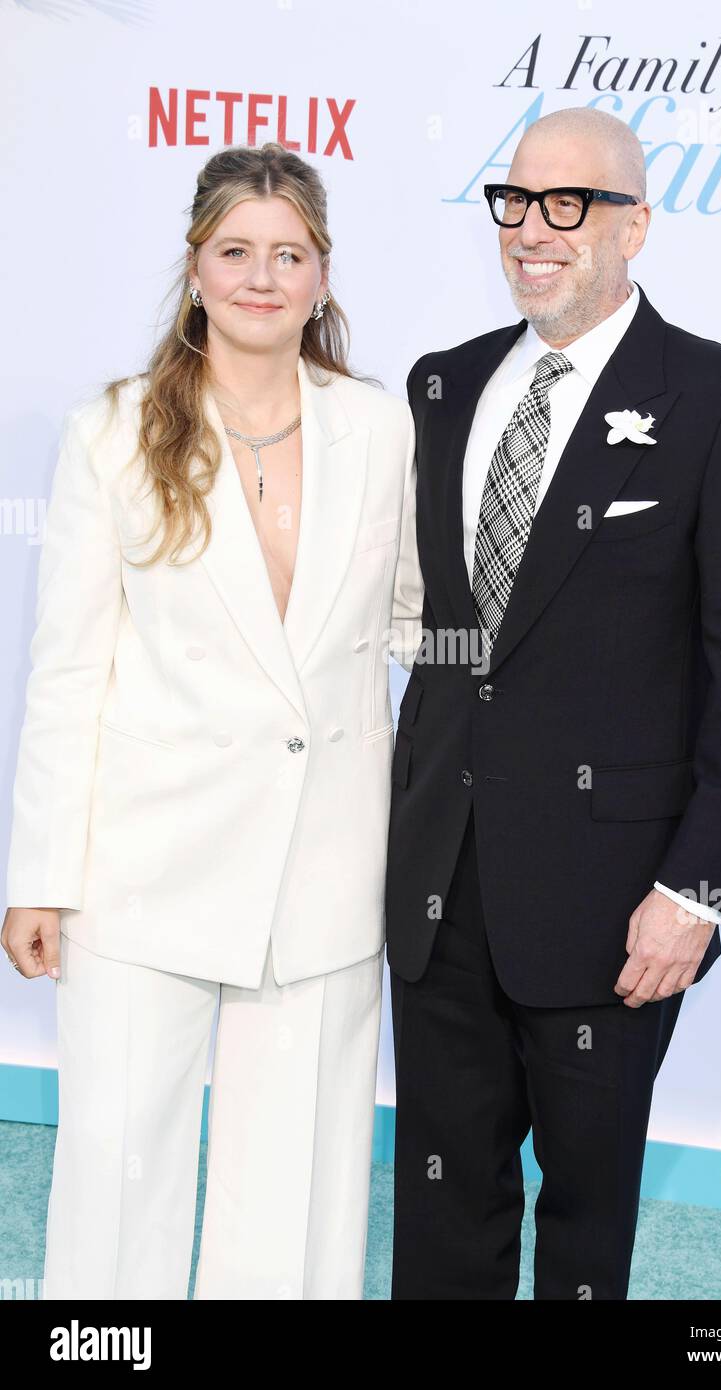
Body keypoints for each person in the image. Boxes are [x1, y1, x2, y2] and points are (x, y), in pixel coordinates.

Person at [386, 107, 721, 1299]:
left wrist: (697, 892)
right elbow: (442, 635)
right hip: (438, 884)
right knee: (436, 1213)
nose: (533, 230)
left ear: (635, 223)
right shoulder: (442, 386)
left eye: (567, 205)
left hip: (616, 905)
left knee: (583, 1231)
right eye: (514, 201)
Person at [2, 142, 422, 1300]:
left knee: (291, 1207)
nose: (260, 276)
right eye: (235, 251)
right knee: (113, 1184)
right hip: (143, 870)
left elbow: (414, 626)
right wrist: (38, 873)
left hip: (325, 871)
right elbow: (67, 669)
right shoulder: (113, 432)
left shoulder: (378, 431)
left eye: (288, 254)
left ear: (323, 276)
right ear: (194, 268)